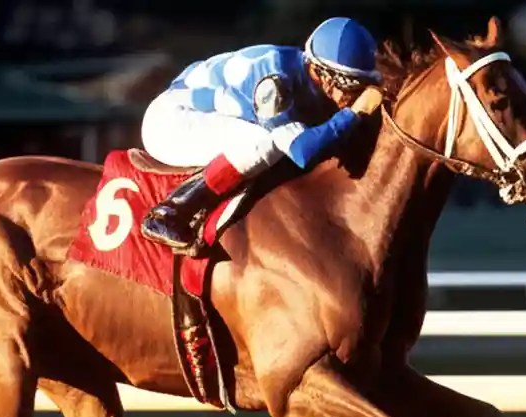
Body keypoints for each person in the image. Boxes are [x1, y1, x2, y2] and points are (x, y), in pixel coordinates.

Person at [139, 17, 386, 256]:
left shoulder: (306, 73)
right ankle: (171, 211)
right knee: (262, 143)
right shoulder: (276, 84)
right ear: (326, 77)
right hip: (171, 121)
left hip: (197, 107)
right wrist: (355, 113)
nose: (356, 96)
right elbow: (302, 152)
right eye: (353, 88)